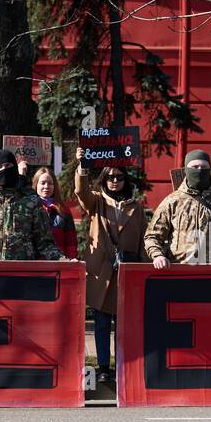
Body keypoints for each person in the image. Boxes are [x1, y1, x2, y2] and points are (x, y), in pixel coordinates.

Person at [74, 149, 148, 385]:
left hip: (127, 271)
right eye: (110, 177)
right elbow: (80, 192)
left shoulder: (136, 207)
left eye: (119, 177)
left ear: (126, 180)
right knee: (102, 322)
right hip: (102, 271)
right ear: (104, 179)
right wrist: (82, 165)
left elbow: (144, 239)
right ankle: (104, 367)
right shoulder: (96, 201)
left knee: (124, 325)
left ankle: (123, 366)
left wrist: (145, 269)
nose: (114, 181)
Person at [144, 150, 211, 269]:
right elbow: (152, 236)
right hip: (179, 271)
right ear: (186, 170)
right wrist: (158, 256)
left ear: (209, 170)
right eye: (195, 166)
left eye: (204, 167)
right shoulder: (172, 201)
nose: (199, 170)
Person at [32, 166, 78, 259]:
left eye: (50, 183)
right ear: (36, 185)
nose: (46, 186)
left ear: (54, 186)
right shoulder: (30, 208)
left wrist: (70, 260)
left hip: (58, 262)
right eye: (43, 183)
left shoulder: (63, 210)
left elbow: (71, 241)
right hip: (35, 263)